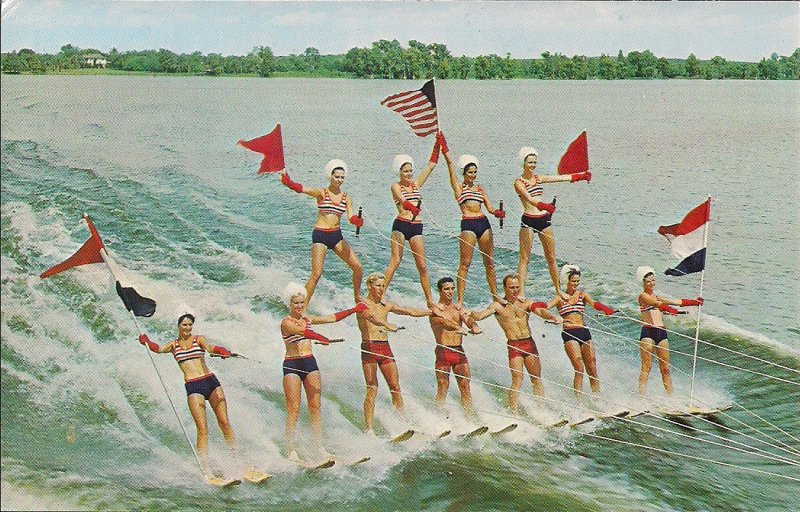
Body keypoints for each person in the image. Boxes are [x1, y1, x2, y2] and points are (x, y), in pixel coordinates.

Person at [138, 313, 236, 476]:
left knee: (224, 422)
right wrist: (146, 342)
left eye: (190, 325)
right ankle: (206, 468)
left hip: (210, 382)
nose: (188, 328)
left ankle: (235, 457)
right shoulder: (173, 345)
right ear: (178, 326)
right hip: (193, 386)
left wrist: (221, 351)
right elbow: (158, 349)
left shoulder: (199, 339)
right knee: (202, 428)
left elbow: (211, 348)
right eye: (184, 325)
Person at [280, 282, 366, 462]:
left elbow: (332, 318)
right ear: (290, 304)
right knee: (293, 408)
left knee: (315, 407)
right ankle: (290, 450)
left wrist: (353, 310)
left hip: (310, 362)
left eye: (302, 303)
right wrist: (320, 337)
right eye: (296, 303)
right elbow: (301, 332)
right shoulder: (286, 322)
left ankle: (319, 447)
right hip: (292, 364)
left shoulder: (308, 319)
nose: (299, 306)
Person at [471, 274, 560, 414]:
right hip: (514, 345)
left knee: (536, 378)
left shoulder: (526, 302)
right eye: (511, 287)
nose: (515, 290)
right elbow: (481, 315)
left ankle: (541, 409)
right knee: (517, 379)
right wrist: (471, 314)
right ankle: (513, 412)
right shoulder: (498, 305)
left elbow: (540, 311)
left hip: (529, 343)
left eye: (517, 287)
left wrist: (552, 317)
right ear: (505, 288)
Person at [279, 159, 364, 307]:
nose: (339, 180)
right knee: (316, 274)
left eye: (342, 177)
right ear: (330, 176)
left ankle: (357, 297)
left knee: (357, 267)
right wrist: (288, 182)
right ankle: (301, 307)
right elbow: (302, 189)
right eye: (337, 176)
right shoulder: (322, 193)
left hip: (336, 236)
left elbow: (350, 215)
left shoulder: (346, 197)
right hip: (320, 235)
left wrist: (356, 220)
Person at [356, 272, 431, 432]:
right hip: (369, 347)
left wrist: (430, 312)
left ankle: (401, 424)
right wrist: (387, 324)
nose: (381, 289)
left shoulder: (386, 305)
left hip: (385, 348)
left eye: (383, 286)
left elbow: (409, 311)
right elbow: (371, 317)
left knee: (395, 387)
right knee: (372, 387)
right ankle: (368, 430)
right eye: (378, 285)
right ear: (369, 286)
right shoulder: (362, 303)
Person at [514, 146, 591, 298]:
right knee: (524, 258)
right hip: (529, 220)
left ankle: (558, 289)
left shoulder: (538, 178)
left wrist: (581, 176)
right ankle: (521, 291)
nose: (533, 165)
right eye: (530, 162)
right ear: (523, 163)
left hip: (543, 220)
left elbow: (560, 178)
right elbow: (529, 199)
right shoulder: (518, 182)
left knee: (551, 257)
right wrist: (544, 205)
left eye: (534, 162)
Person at [439, 132, 506, 306]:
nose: (473, 175)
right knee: (465, 263)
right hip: (468, 223)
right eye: (470, 172)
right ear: (464, 173)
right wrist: (444, 150)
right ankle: (460, 300)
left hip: (483, 223)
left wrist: (497, 213)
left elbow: (489, 208)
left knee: (489, 263)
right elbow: (450, 166)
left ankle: (495, 295)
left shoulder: (480, 189)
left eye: (475, 172)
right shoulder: (459, 188)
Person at [382, 138, 441, 308]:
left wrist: (437, 145)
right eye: (405, 171)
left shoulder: (415, 185)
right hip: (401, 225)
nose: (409, 174)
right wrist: (411, 208)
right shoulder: (395, 186)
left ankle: (429, 299)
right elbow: (401, 199)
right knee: (396, 260)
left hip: (416, 227)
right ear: (399, 172)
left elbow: (430, 166)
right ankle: (381, 294)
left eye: (410, 171)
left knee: (422, 265)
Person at [546, 265, 617, 398]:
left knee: (592, 368)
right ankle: (578, 401)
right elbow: (545, 307)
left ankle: (597, 399)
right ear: (566, 281)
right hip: (569, 333)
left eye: (578, 281)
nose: (576, 284)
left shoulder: (582, 295)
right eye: (573, 281)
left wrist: (607, 310)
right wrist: (552, 317)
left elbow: (594, 304)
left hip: (584, 333)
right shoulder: (559, 298)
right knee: (579, 368)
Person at [636, 266, 704, 396]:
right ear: (643, 283)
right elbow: (657, 305)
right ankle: (641, 397)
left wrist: (695, 302)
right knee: (646, 367)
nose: (651, 283)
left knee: (665, 369)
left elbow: (676, 302)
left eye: (653, 280)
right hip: (648, 332)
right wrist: (672, 311)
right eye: (648, 281)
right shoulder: (643, 296)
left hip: (661, 333)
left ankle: (670, 398)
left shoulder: (656, 296)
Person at [428, 277, 482, 415]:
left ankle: (469, 418)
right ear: (440, 291)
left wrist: (474, 326)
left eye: (452, 288)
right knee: (443, 386)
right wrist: (458, 327)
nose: (450, 291)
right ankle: (439, 418)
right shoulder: (436, 310)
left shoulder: (458, 309)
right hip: (444, 351)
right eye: (446, 289)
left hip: (459, 351)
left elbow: (467, 319)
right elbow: (443, 322)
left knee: (465, 386)